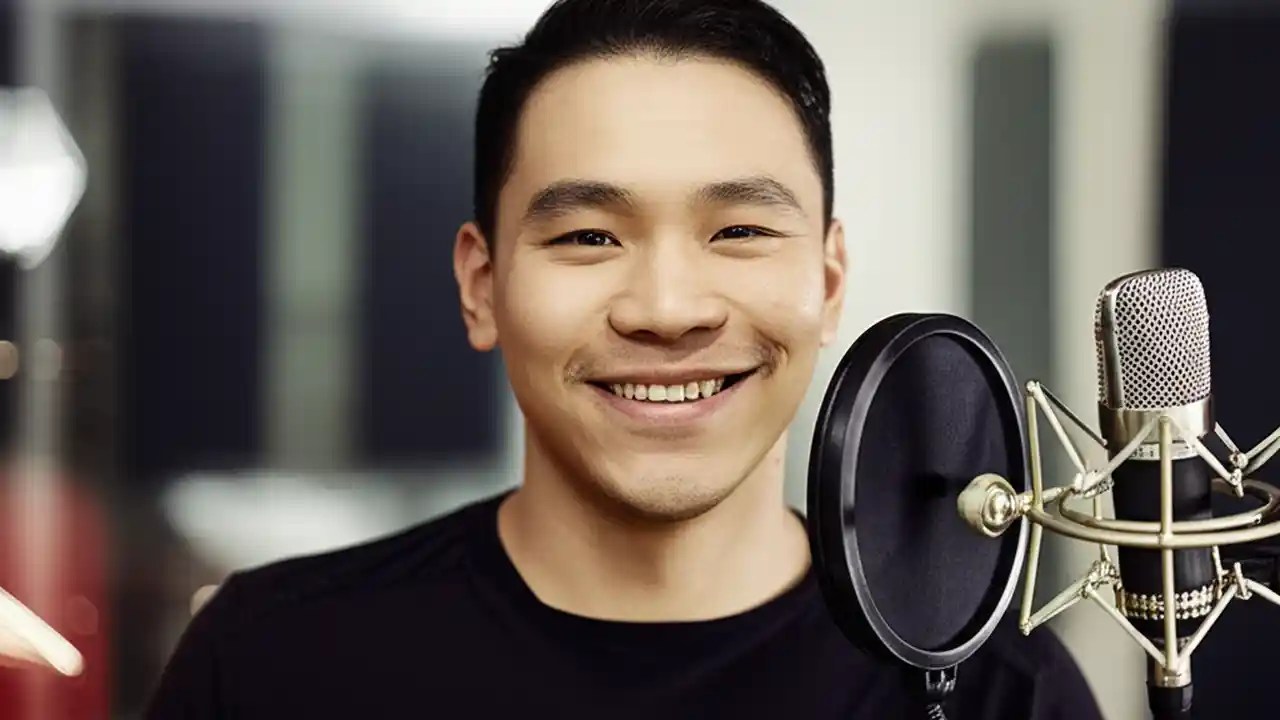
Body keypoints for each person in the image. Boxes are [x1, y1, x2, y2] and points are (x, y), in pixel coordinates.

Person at [146, 1, 1105, 717]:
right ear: (482, 285)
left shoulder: (999, 694)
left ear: (828, 279)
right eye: (589, 238)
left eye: (737, 229)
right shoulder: (272, 662)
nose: (668, 310)